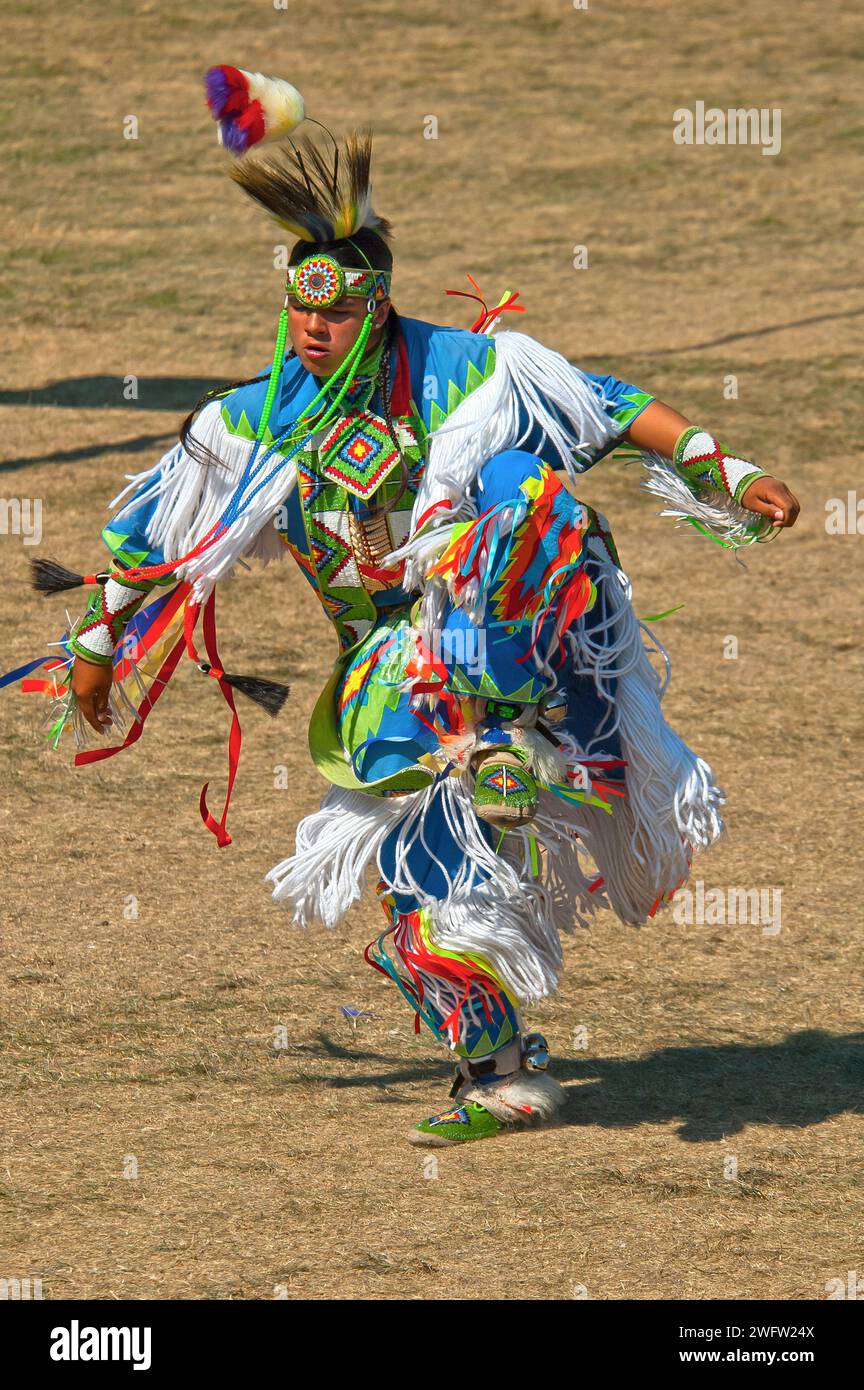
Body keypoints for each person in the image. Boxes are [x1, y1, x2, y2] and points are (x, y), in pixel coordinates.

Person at [5, 68, 799, 1145]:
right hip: (394, 680)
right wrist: (96, 645)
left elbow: (606, 410)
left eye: (336, 312)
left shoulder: (470, 372)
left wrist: (725, 465)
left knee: (525, 493)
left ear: (376, 306)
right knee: (418, 917)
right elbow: (156, 541)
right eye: (298, 308)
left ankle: (509, 735)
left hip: (528, 633)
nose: (313, 329)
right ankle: (501, 1070)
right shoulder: (255, 423)